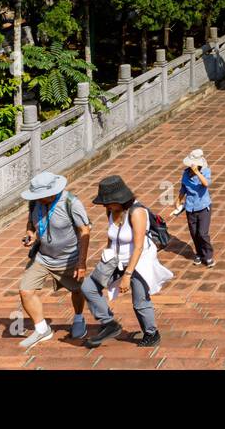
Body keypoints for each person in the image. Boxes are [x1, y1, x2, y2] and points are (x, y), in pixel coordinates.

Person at [81, 175, 172, 348]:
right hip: (116, 259)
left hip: (138, 260)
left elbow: (137, 246)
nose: (105, 206)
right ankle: (109, 324)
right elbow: (112, 237)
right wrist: (106, 259)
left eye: (107, 202)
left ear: (119, 199)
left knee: (139, 302)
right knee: (88, 287)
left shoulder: (137, 213)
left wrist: (127, 275)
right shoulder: (111, 211)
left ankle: (151, 333)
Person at [17, 171, 91, 350]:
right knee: (25, 291)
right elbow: (31, 223)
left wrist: (81, 262)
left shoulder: (71, 203)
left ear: (52, 192)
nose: (38, 199)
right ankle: (42, 329)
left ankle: (79, 318)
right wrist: (30, 233)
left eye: (41, 196)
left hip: (69, 259)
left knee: (77, 290)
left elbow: (85, 231)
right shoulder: (35, 203)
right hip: (42, 257)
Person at [169, 149, 213, 267]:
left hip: (203, 207)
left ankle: (208, 255)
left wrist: (198, 173)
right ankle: (199, 253)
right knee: (194, 233)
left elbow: (206, 183)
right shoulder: (185, 173)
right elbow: (183, 188)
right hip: (190, 208)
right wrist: (178, 200)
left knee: (202, 233)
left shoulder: (205, 171)